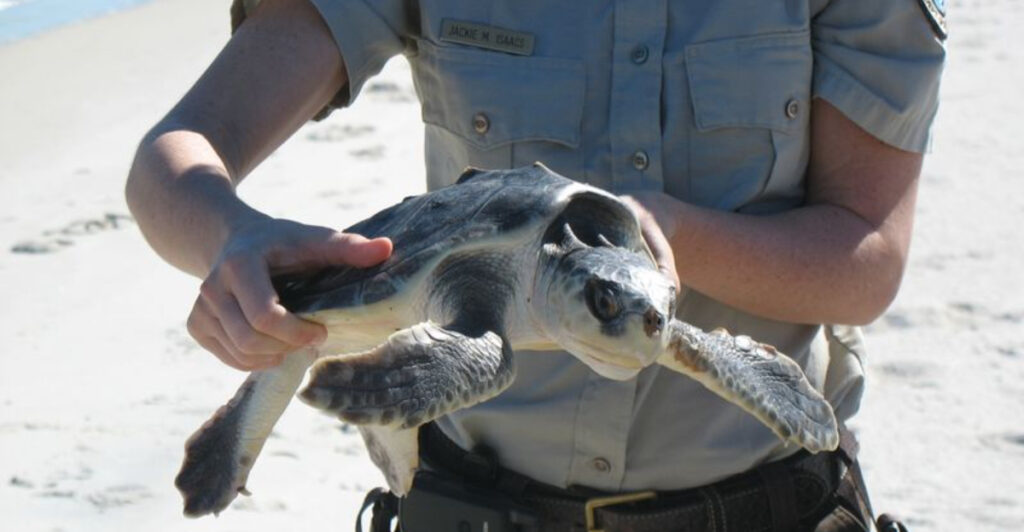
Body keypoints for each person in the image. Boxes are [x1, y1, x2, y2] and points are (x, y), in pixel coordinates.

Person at [125, 0, 946, 530]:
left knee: (667, 337)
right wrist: (227, 238)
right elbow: (171, 160)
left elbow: (864, 260)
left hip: (766, 508)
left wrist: (656, 238)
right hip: (476, 507)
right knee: (466, 359)